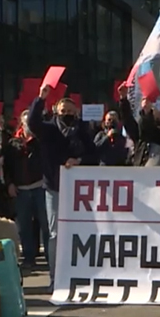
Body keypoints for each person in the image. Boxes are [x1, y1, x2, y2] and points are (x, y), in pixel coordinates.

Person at [28, 85, 98, 289]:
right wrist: (40, 98)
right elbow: (32, 122)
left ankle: (81, 274)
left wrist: (79, 160)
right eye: (63, 111)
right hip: (55, 188)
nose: (67, 114)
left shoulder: (83, 131)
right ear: (55, 112)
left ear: (76, 113)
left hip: (80, 191)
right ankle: (55, 277)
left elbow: (94, 155)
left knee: (82, 231)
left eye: (70, 112)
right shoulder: (48, 130)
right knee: (55, 234)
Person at [2, 109, 49, 268]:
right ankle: (28, 258)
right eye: (27, 121)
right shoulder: (12, 144)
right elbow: (6, 167)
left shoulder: (41, 141)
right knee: (24, 227)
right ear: (21, 123)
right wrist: (9, 184)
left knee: (46, 225)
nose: (29, 125)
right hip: (21, 190)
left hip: (39, 187)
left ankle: (50, 258)